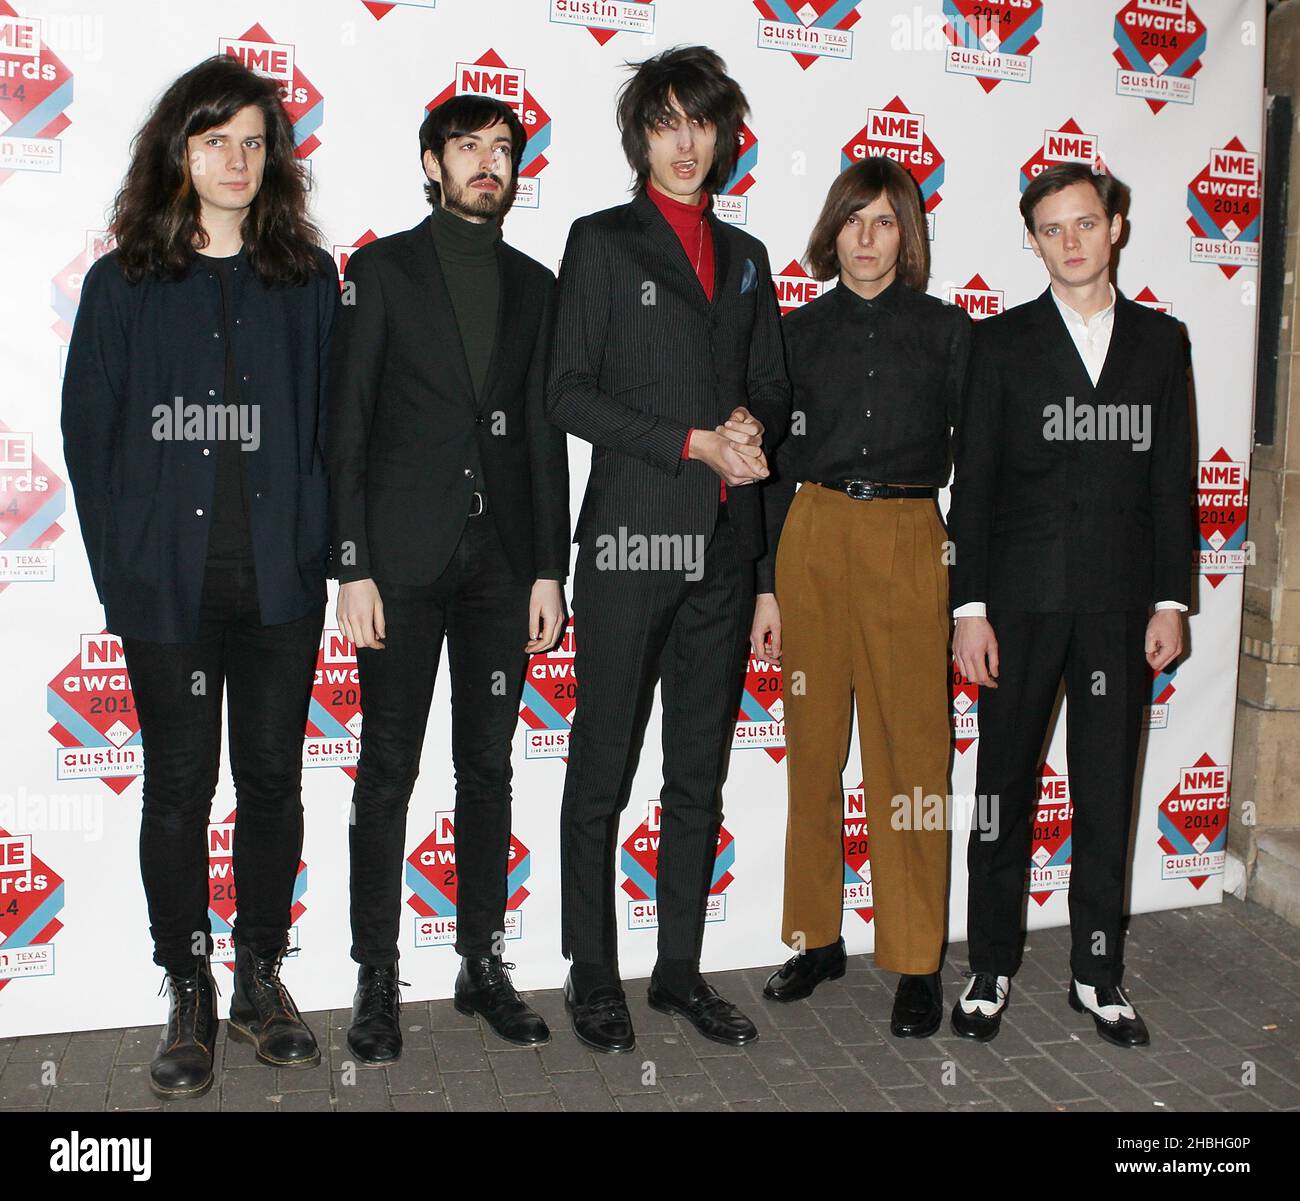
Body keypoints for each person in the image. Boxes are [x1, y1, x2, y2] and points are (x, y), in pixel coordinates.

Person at [61, 56, 339, 1099]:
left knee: (271, 780)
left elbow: (333, 433)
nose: (237, 160)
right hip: (169, 592)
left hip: (280, 586)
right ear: (178, 151)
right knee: (179, 789)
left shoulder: (308, 280)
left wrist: (327, 551)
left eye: (255, 141)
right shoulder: (125, 280)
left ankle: (261, 975)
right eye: (216, 139)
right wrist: (126, 568)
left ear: (274, 159)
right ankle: (188, 985)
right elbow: (90, 437)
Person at [546, 45, 790, 1053]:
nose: (685, 141)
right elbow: (566, 393)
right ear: (640, 136)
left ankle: (679, 970)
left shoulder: (746, 257)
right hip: (628, 543)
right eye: (666, 122)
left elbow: (772, 397)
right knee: (601, 768)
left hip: (725, 554)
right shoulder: (600, 243)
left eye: (701, 122)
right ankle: (591, 972)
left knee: (696, 773)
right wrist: (692, 441)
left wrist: (766, 566)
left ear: (724, 134)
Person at [327, 94, 569, 1063]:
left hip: (501, 568)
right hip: (402, 563)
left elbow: (545, 439)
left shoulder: (535, 284)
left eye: (502, 148)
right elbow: (343, 430)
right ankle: (376, 976)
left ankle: (480, 961)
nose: (486, 162)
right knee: (386, 771)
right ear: (432, 163)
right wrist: (353, 565)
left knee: (490, 767)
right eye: (467, 146)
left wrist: (549, 567)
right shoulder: (380, 270)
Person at [947, 163, 1192, 1047]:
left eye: (1085, 223)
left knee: (1104, 791)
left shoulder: (1164, 344)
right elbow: (971, 483)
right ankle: (989, 964)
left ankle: (1098, 973)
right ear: (1034, 240)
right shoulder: (1001, 343)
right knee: (1001, 789)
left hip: (1122, 606)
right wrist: (968, 606)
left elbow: (1173, 482)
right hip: (1016, 604)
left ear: (1115, 226)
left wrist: (1171, 599)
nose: (1072, 241)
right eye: (1053, 229)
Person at [752, 158, 971, 1039]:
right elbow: (765, 469)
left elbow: (984, 467)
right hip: (813, 535)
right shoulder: (792, 335)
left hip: (913, 537)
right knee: (813, 748)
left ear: (906, 234)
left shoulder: (953, 334)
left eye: (885, 221)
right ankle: (814, 936)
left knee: (912, 753)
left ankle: (916, 957)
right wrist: (766, 583)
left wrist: (974, 596)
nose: (869, 238)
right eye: (854, 220)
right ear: (832, 231)